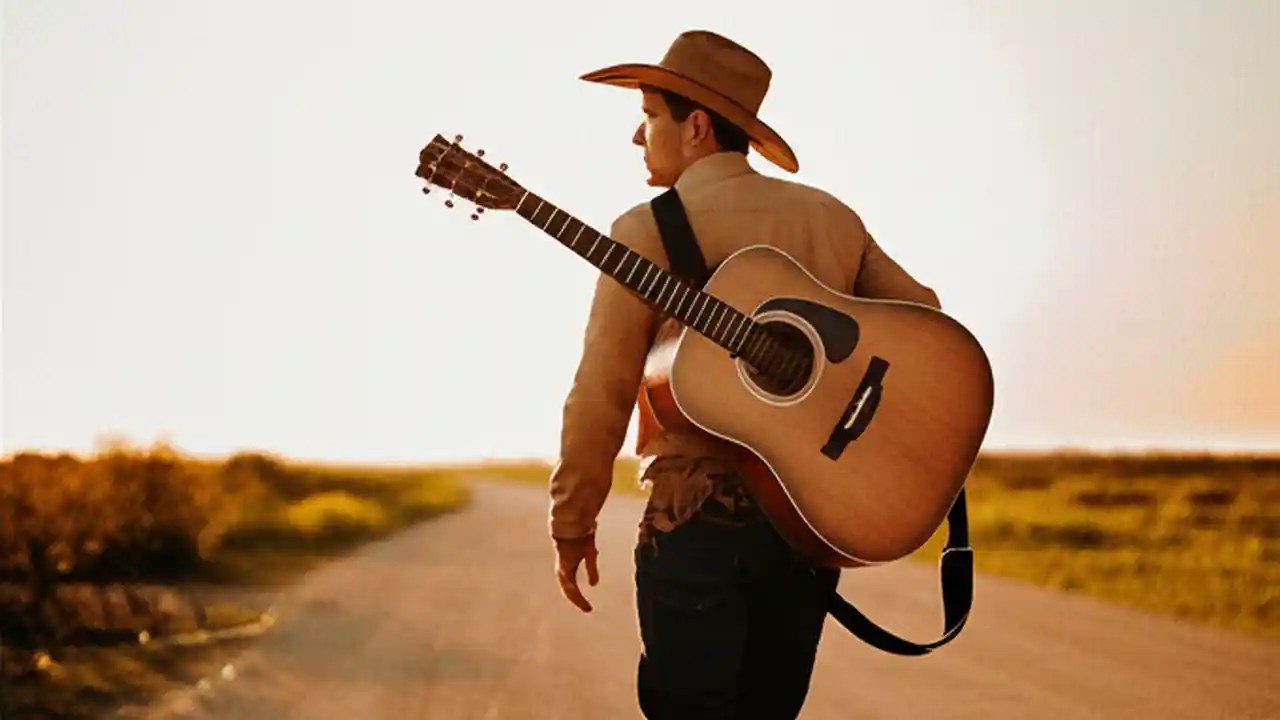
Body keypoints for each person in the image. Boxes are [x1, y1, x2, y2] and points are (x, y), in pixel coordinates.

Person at [548, 29, 942, 719]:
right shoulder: (832, 218)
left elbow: (602, 392)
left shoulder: (643, 230)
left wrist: (573, 518)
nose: (637, 139)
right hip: (809, 522)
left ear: (695, 125)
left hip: (694, 518)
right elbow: (927, 322)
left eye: (648, 116)